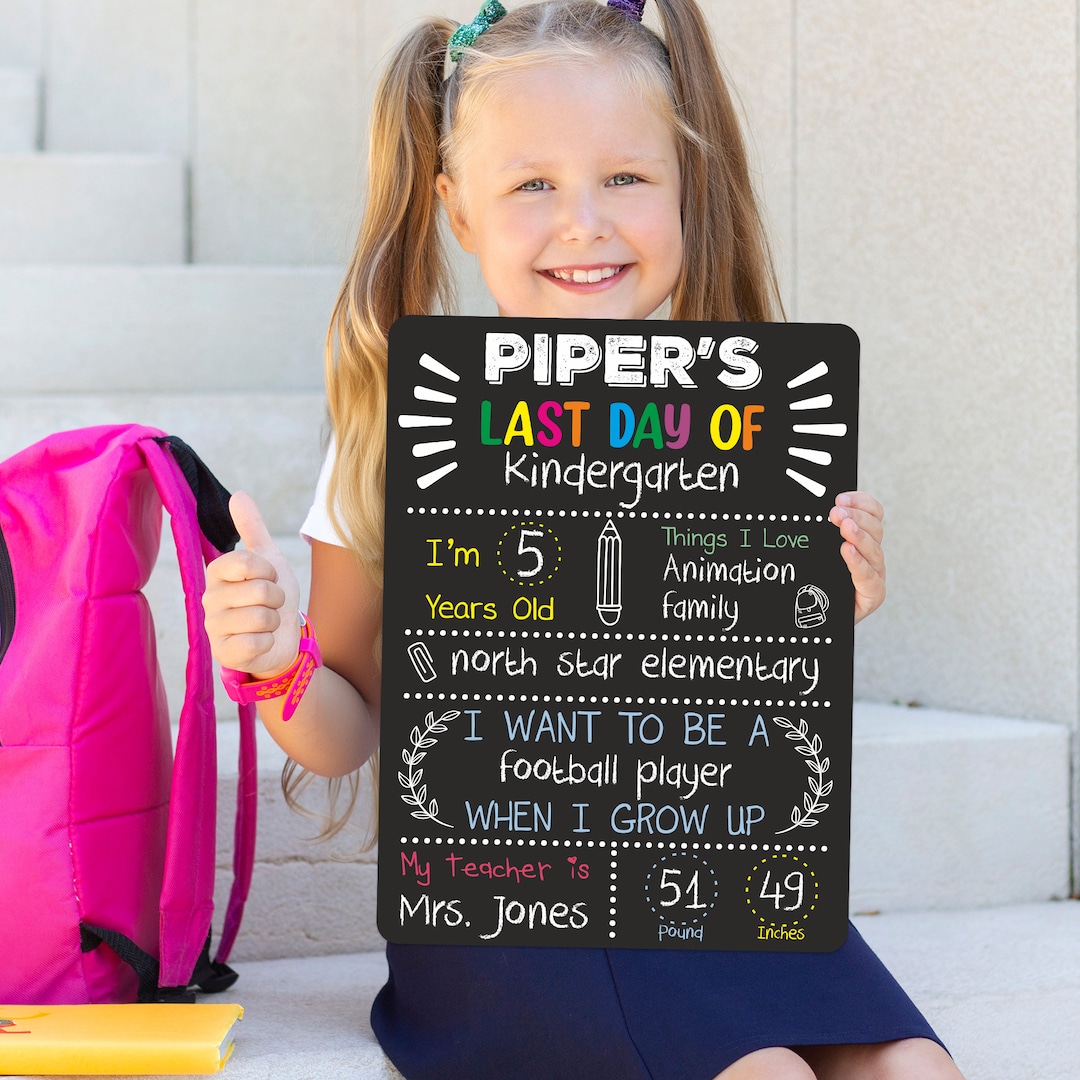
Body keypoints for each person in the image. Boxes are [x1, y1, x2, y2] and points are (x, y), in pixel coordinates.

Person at [203, 2, 966, 1077]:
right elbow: (350, 731)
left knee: (914, 1070)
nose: (583, 222)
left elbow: (743, 731)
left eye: (625, 177)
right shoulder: (399, 438)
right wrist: (275, 663)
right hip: (511, 900)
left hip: (714, 875)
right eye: (531, 185)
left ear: (687, 191)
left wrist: (822, 607)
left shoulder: (743, 428)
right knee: (767, 1077)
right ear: (457, 212)